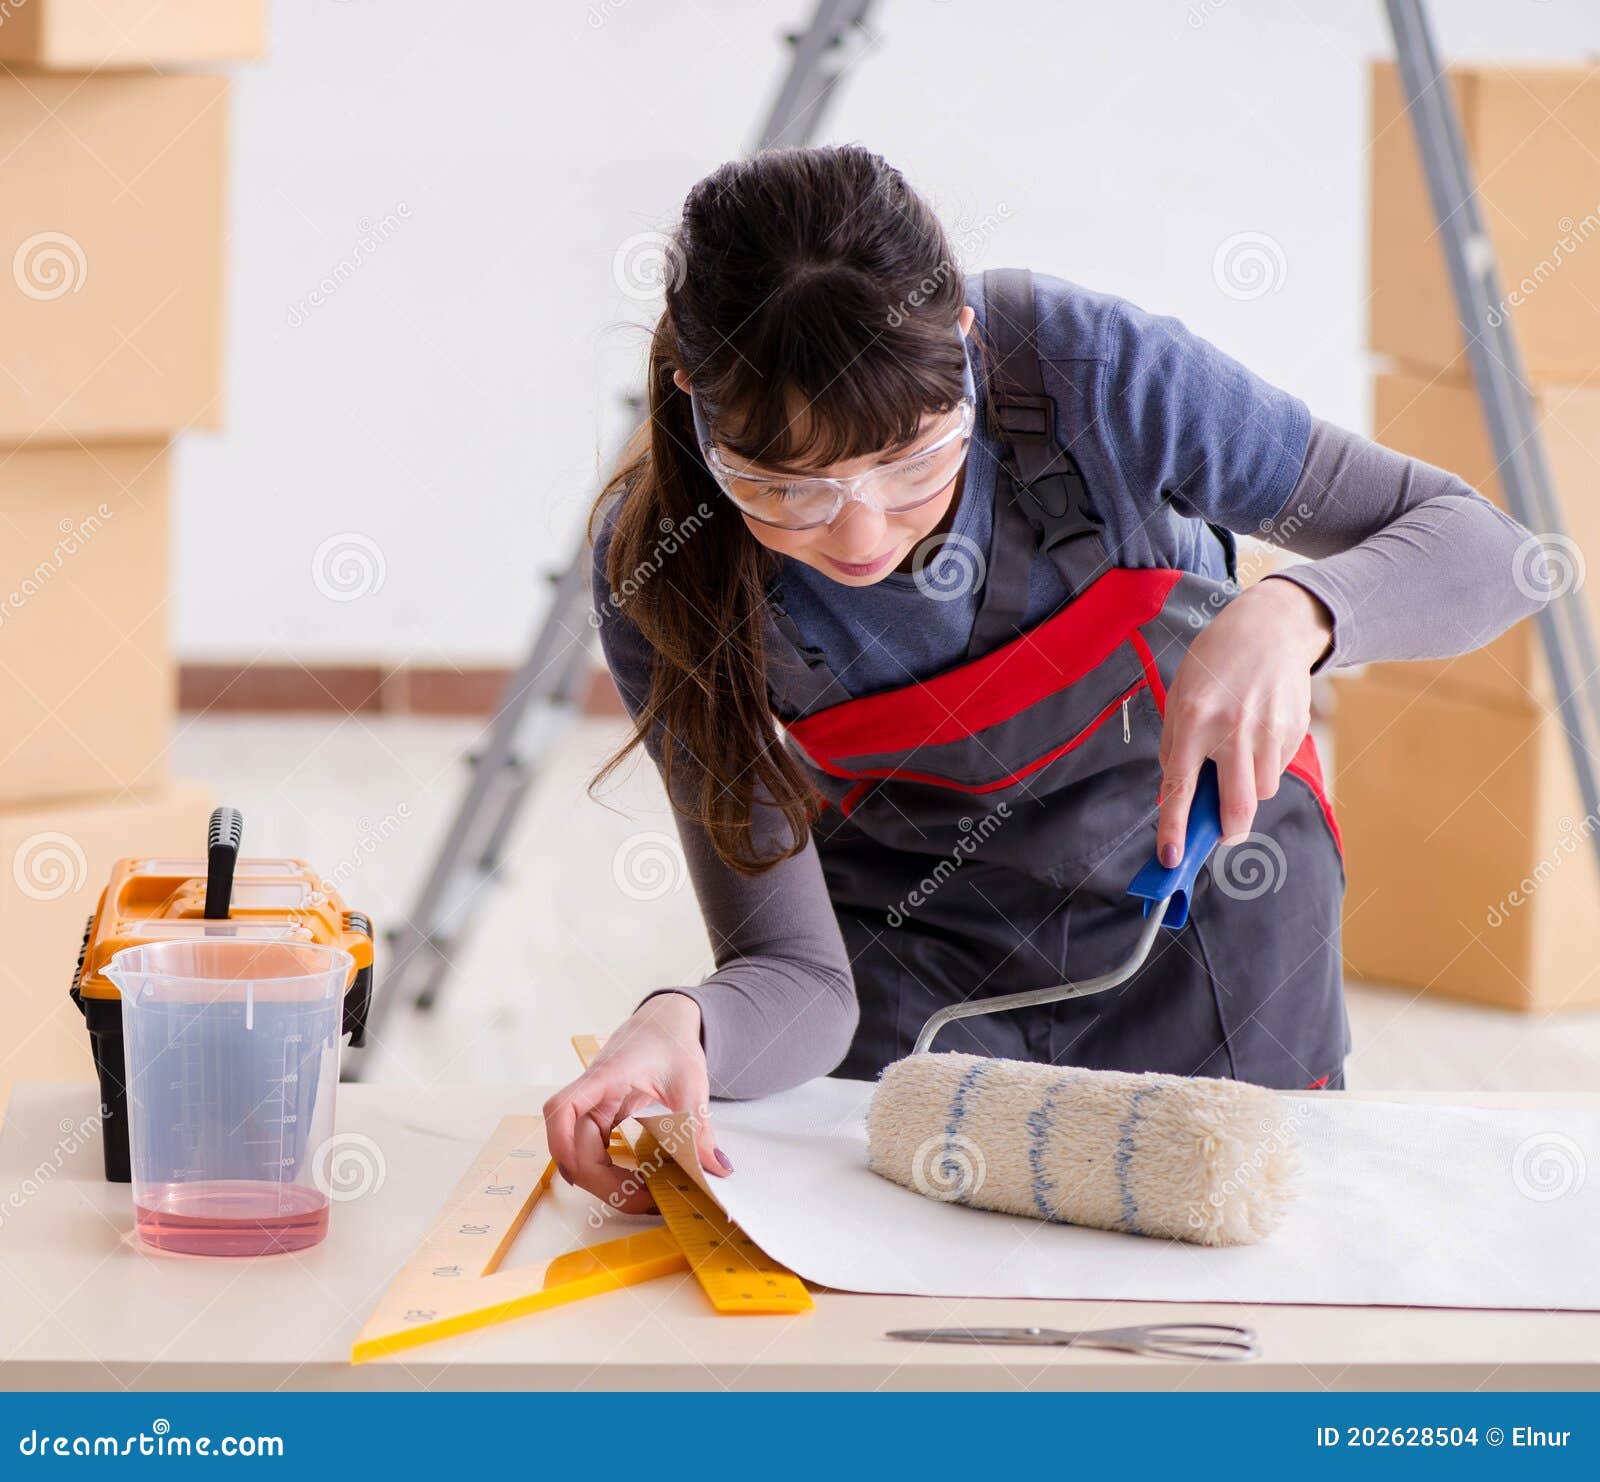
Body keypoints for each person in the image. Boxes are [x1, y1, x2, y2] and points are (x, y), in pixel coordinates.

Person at [544, 145, 1543, 1209]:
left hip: (1200, 892)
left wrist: (1298, 611)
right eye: (784, 488)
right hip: (915, 937)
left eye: (915, 461)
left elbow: (1491, 552)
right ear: (695, 398)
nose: (862, 533)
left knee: (1244, 1250)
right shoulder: (662, 569)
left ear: (963, 346)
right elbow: (795, 980)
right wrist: (680, 1024)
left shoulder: (1090, 374)